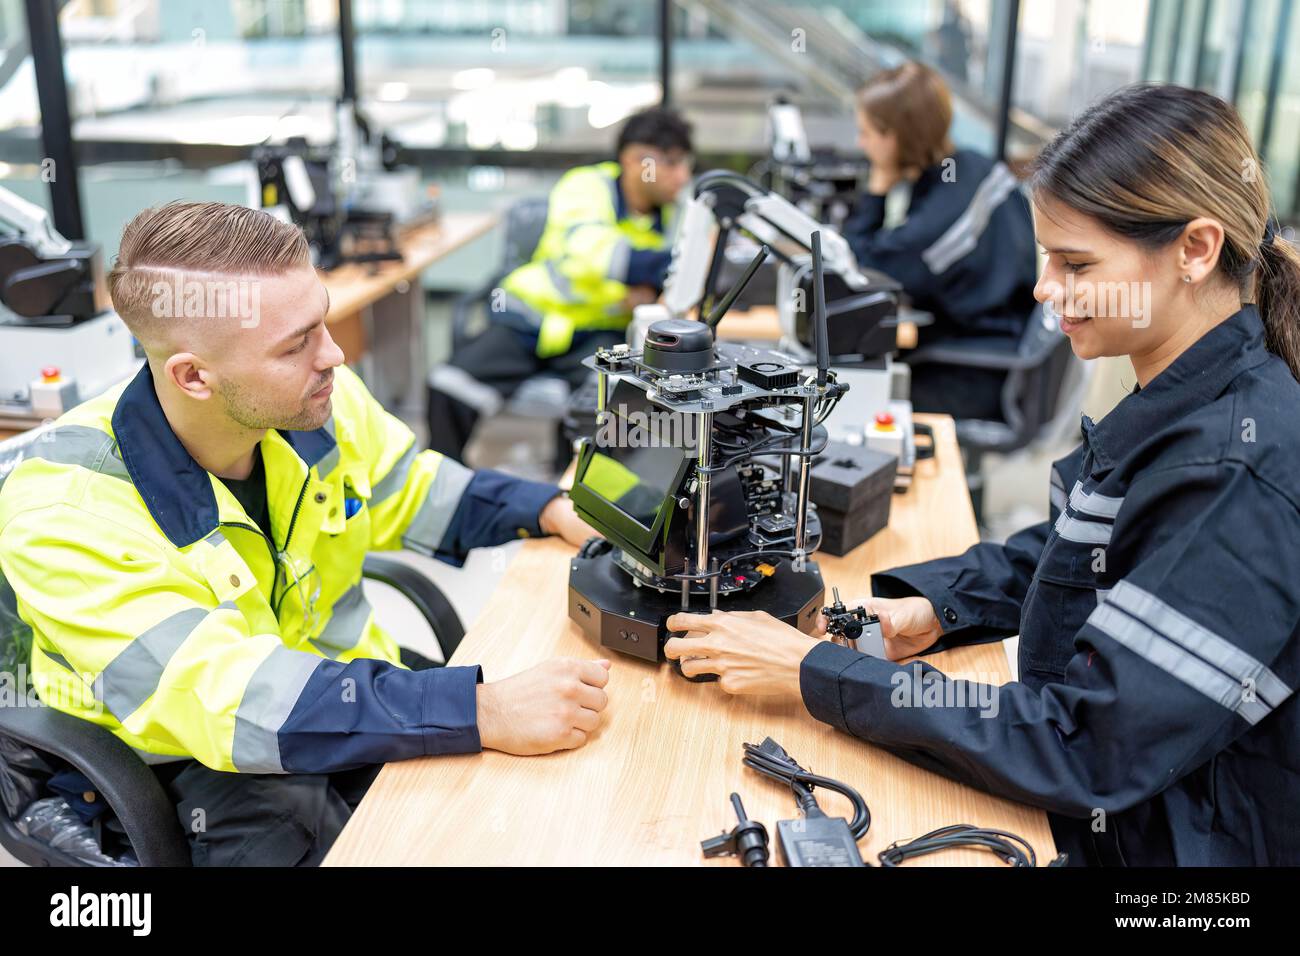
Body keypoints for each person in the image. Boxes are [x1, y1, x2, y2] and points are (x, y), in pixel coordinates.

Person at [662, 84, 1300, 866]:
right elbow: (1097, 548)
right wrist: (939, 607)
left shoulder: (1240, 466)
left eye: (1075, 264)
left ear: (1195, 251)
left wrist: (815, 671)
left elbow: (1082, 748)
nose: (1044, 290)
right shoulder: (1198, 395)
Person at [0, 201, 611, 866]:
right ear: (193, 376)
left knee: (514, 799)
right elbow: (227, 699)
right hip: (183, 750)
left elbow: (413, 490)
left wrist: (550, 506)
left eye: (321, 319)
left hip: (329, 692)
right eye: (296, 343)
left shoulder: (310, 405)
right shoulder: (63, 506)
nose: (335, 354)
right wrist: (479, 710)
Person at [426, 106, 693, 460]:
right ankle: (451, 485)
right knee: (447, 386)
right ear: (633, 160)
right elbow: (592, 257)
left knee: (603, 407)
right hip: (532, 321)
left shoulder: (669, 211)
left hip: (597, 332)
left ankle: (568, 497)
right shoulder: (586, 186)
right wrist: (651, 272)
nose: (683, 175)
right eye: (672, 163)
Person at [843, 60, 1039, 421]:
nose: (861, 143)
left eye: (867, 132)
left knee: (853, 404)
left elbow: (860, 274)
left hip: (974, 372)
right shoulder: (971, 168)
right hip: (990, 349)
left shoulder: (940, 218)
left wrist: (878, 185)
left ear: (893, 138)